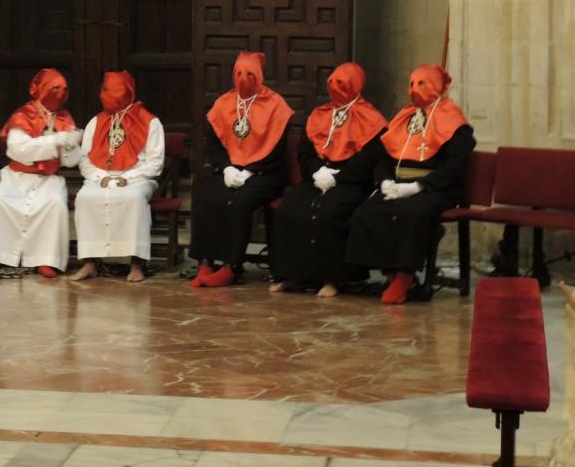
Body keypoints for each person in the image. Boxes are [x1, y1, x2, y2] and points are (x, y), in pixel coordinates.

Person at [345, 64, 475, 304]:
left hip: (436, 188)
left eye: (421, 84)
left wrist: (419, 186)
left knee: (412, 212)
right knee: (368, 211)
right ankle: (390, 272)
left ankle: (405, 275)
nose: (414, 89)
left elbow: (452, 167)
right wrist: (384, 181)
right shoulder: (405, 116)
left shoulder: (455, 123)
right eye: (411, 83)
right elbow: (384, 156)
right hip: (397, 182)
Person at [269, 63, 387, 297]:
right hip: (319, 176)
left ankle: (333, 279)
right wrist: (316, 172)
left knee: (330, 214)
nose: (336, 87)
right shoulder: (320, 115)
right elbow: (305, 151)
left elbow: (370, 158)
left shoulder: (372, 119)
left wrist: (340, 176)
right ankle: (293, 275)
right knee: (290, 209)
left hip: (351, 181)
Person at [189, 51, 291, 288]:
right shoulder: (223, 103)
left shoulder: (276, 105)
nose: (243, 78)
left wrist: (250, 171)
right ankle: (206, 261)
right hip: (231, 170)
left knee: (238, 202)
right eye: (238, 73)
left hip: (266, 173)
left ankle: (231, 267)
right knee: (207, 196)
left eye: (249, 74)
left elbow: (277, 149)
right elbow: (213, 143)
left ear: (259, 75)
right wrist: (225, 168)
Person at [0, 68, 82, 278]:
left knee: (54, 206)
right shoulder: (23, 115)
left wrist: (71, 146)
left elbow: (70, 162)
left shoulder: (65, 119)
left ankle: (46, 260)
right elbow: (20, 151)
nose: (59, 94)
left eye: (63, 90)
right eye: (54, 89)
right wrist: (55, 141)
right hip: (16, 177)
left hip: (48, 180)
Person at [70, 71, 164, 284]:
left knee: (132, 199)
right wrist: (100, 176)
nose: (109, 96)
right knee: (85, 198)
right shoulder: (96, 121)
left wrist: (128, 178)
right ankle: (89, 263)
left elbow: (155, 163)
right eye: (106, 90)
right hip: (100, 177)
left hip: (138, 178)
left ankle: (136, 263)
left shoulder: (150, 122)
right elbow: (84, 157)